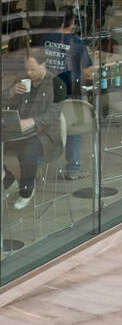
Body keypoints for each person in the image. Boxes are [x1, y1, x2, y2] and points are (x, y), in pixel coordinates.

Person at [2, 47, 66, 209]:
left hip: (45, 134)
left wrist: (31, 121)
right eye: (27, 68)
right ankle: (8, 180)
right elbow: (4, 103)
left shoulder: (57, 84)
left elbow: (53, 114)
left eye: (33, 69)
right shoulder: (21, 79)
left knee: (27, 153)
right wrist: (10, 92)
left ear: (43, 64)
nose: (29, 73)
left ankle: (27, 189)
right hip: (19, 131)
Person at [35, 8, 92, 180]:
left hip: (46, 91)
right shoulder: (77, 43)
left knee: (42, 130)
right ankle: (73, 168)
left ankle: (34, 165)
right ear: (72, 22)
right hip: (70, 92)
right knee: (74, 129)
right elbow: (88, 72)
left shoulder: (45, 39)